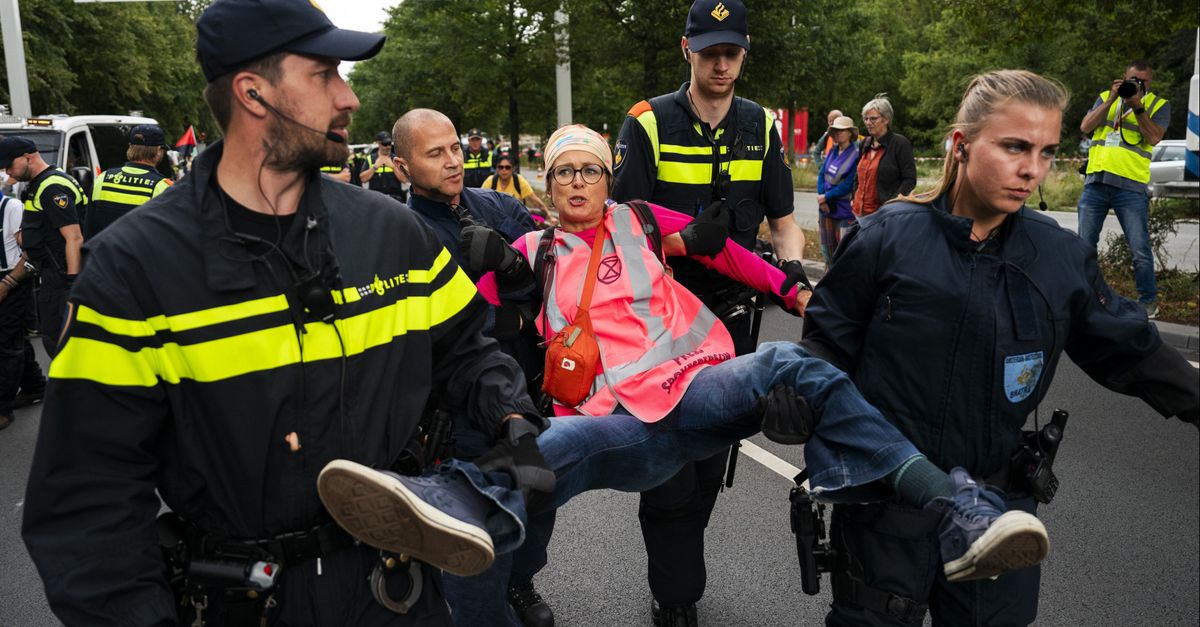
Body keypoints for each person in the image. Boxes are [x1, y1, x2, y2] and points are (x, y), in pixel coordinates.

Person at [317, 124, 1059, 627]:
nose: (578, 180)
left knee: (795, 366)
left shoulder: (640, 219)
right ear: (547, 183)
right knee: (507, 495)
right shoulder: (533, 250)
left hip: (698, 388)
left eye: (590, 168)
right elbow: (453, 333)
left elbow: (725, 253)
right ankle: (455, 520)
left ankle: (952, 503)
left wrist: (797, 291)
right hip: (609, 424)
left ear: (608, 178)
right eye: (565, 170)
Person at [19, 2, 549, 625]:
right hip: (244, 604)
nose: (349, 97)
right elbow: (87, 501)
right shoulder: (135, 270)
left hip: (398, 595)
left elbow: (468, 349)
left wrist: (511, 415)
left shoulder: (392, 232)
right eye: (325, 74)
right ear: (253, 93)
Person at [802, 69, 1199, 627]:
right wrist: (799, 399)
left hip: (999, 513)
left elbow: (1133, 351)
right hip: (888, 507)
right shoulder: (886, 237)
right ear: (961, 146)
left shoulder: (1059, 258)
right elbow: (825, 342)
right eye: (1015, 146)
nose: (1032, 169)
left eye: (1046, 151)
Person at [610, 1, 810, 622]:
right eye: (710, 52)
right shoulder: (646, 123)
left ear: (744, 52)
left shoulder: (760, 125)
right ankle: (676, 598)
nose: (722, 64)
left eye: (732, 52)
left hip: (734, 317)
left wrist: (793, 266)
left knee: (706, 462)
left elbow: (783, 222)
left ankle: (679, 570)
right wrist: (686, 242)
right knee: (669, 466)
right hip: (663, 319)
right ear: (686, 49)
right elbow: (617, 230)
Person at [390, 107, 553, 627]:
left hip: (525, 385)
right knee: (469, 521)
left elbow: (553, 273)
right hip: (450, 407)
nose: (453, 161)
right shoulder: (397, 231)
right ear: (401, 167)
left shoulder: (500, 206)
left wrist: (510, 263)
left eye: (456, 148)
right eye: (435, 153)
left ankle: (521, 582)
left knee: (537, 500)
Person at [1076, 59, 1169, 318]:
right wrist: (1111, 100)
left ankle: (1148, 301)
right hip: (1096, 181)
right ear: (1123, 78)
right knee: (1084, 246)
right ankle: (1085, 296)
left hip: (1130, 187)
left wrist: (1137, 105)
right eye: (1132, 80)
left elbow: (1154, 137)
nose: (1136, 84)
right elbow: (1085, 126)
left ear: (1149, 82)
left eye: (1142, 81)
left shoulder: (1158, 105)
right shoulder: (1106, 97)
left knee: (1139, 247)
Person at [0, 136, 87, 358]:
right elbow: (38, 244)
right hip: (51, 277)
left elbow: (74, 238)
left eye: (9, 165)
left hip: (62, 281)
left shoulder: (52, 187)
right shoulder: (38, 186)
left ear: (28, 157)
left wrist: (72, 286)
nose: (8, 173)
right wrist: (8, 283)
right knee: (53, 342)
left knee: (63, 346)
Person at [0, 189, 47, 430]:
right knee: (12, 335)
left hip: (13, 277)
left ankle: (3, 408)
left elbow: (30, 254)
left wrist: (7, 284)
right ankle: (35, 384)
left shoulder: (13, 208)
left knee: (6, 343)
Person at [87, 124, 173, 236]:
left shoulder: (102, 179)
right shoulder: (163, 186)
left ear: (130, 146)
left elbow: (89, 228)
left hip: (102, 252)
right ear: (158, 151)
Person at [851, 93, 916, 219]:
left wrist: (890, 206)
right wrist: (853, 197)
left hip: (884, 215)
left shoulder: (900, 143)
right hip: (858, 213)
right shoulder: (864, 143)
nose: (868, 123)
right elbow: (857, 176)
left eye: (873, 119)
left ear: (886, 119)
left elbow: (910, 180)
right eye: (866, 119)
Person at [815, 115, 860, 267]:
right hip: (825, 210)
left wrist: (826, 197)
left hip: (843, 210)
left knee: (843, 253)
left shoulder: (856, 153)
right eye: (835, 131)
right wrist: (822, 197)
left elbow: (848, 184)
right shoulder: (833, 151)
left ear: (850, 133)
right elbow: (822, 174)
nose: (837, 134)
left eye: (841, 131)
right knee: (827, 252)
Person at [482, 153, 550, 217]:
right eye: (501, 167)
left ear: (512, 169)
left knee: (539, 218)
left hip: (517, 218)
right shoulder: (490, 181)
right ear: (497, 169)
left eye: (507, 167)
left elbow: (535, 200)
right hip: (495, 218)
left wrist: (549, 216)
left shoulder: (519, 180)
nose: (504, 170)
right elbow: (480, 200)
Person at [360, 131, 408, 202]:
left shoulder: (396, 158)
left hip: (395, 199)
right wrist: (375, 167)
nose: (388, 147)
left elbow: (404, 179)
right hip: (376, 199)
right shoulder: (370, 158)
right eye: (384, 144)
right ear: (378, 144)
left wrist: (393, 167)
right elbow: (363, 179)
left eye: (389, 144)